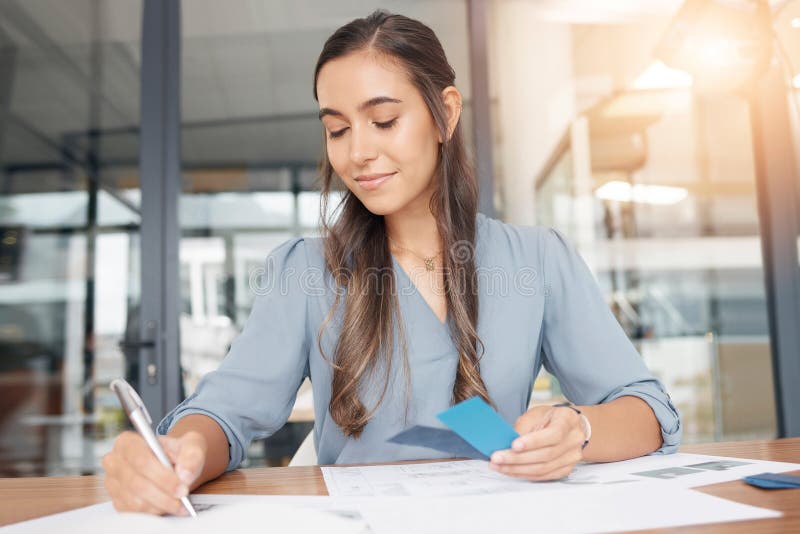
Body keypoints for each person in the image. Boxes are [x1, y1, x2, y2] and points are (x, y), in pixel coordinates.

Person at [102, 10, 681, 515]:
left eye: (383, 121)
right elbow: (224, 413)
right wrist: (180, 454)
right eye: (336, 128)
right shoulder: (309, 271)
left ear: (445, 114)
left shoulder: (536, 259)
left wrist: (577, 431)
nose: (357, 153)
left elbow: (647, 409)